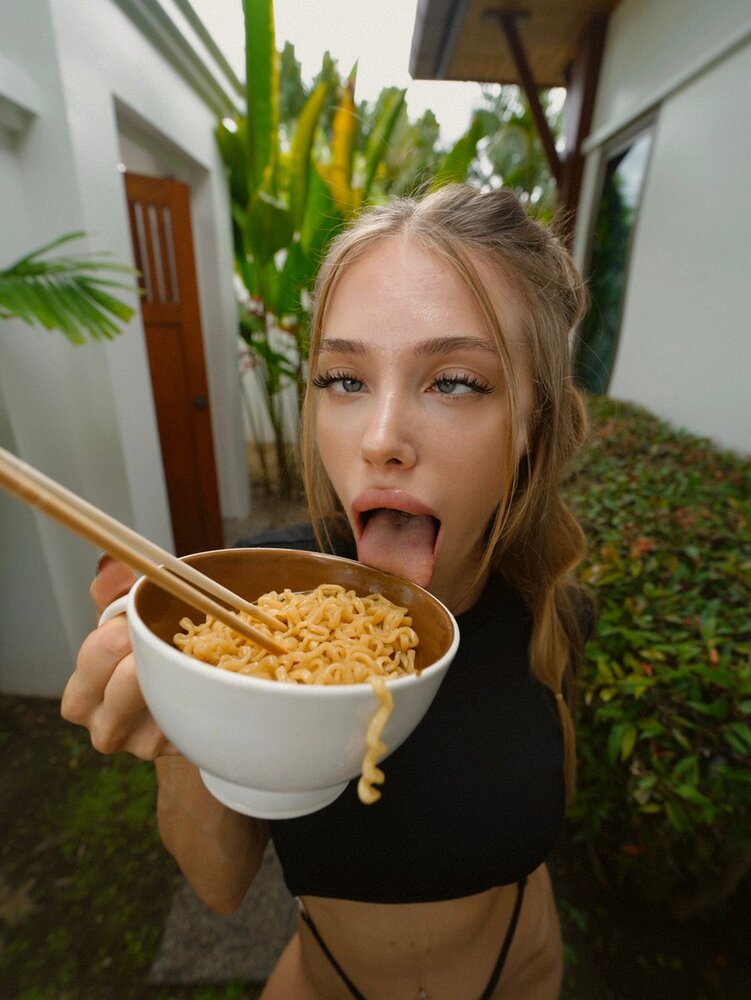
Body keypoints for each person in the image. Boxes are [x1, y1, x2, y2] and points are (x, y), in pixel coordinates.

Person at [62, 183, 593, 999]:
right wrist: (182, 711)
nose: (379, 440)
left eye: (455, 381)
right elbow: (219, 888)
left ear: (531, 421)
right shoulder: (245, 613)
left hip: (523, 973)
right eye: (343, 379)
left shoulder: (549, 603)